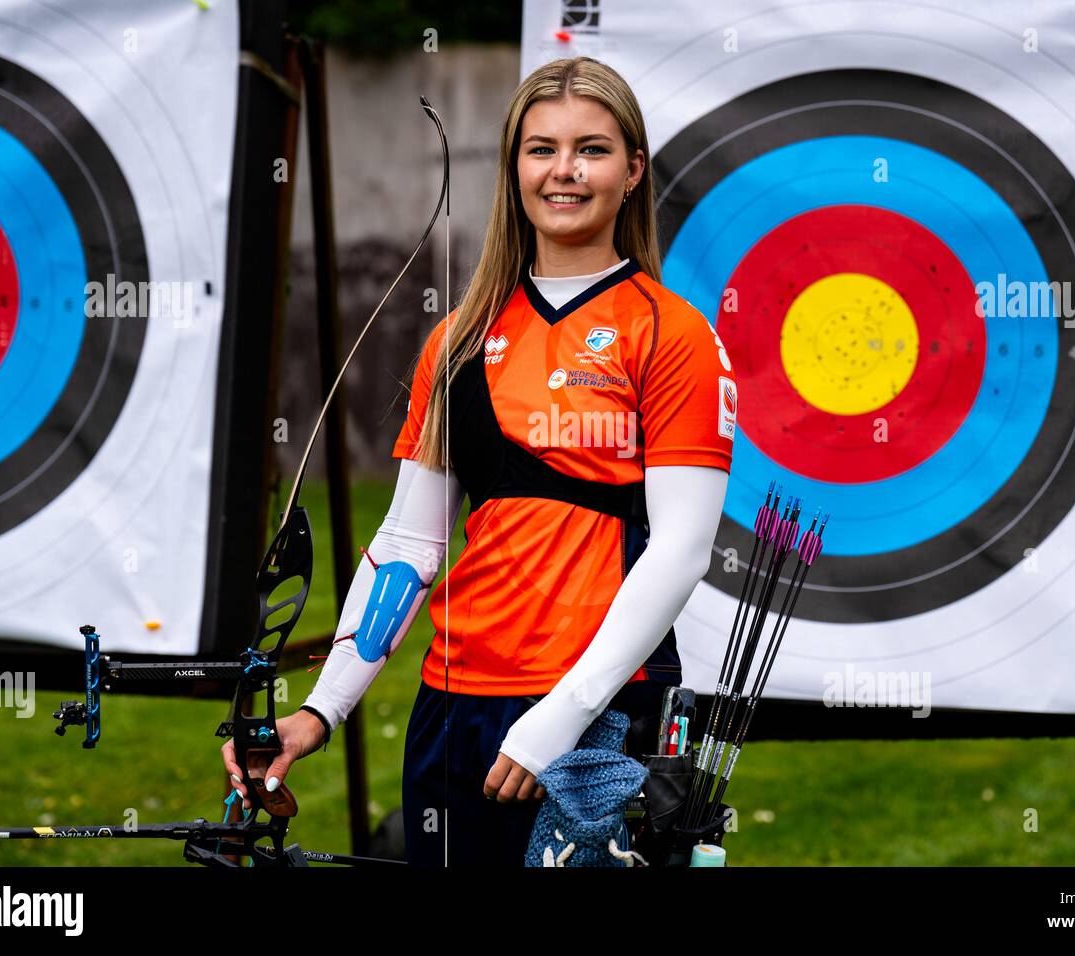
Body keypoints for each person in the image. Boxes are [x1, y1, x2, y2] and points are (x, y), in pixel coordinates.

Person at [222, 55, 736, 866]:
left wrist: (558, 720)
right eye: (541, 149)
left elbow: (680, 552)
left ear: (633, 171)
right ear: (513, 167)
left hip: (596, 712)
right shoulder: (456, 339)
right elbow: (407, 547)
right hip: (454, 705)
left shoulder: (672, 334)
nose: (564, 171)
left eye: (592, 150)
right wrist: (318, 712)